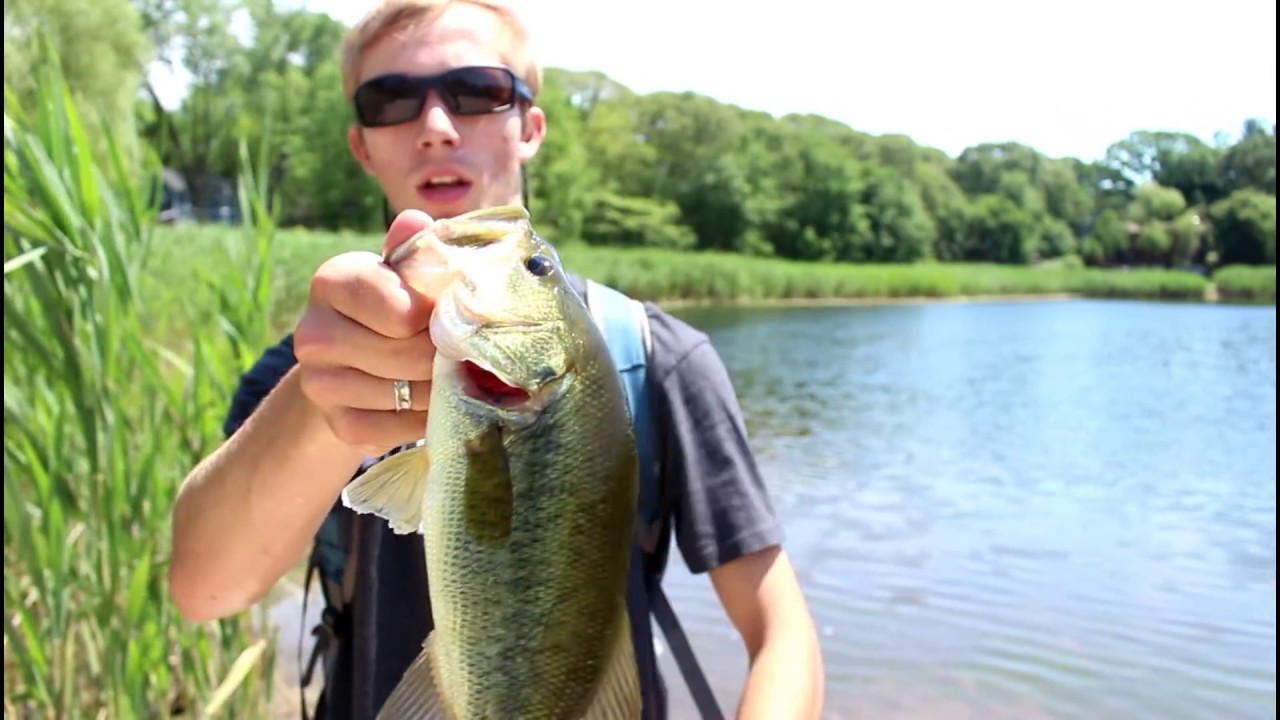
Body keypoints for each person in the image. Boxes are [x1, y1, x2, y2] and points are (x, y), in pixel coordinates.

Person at [166, 1, 825, 718]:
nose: (436, 127)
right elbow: (206, 592)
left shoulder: (656, 359)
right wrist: (318, 412)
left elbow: (780, 629)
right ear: (362, 147)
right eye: (392, 100)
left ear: (530, 127)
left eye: (478, 91)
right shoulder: (303, 370)